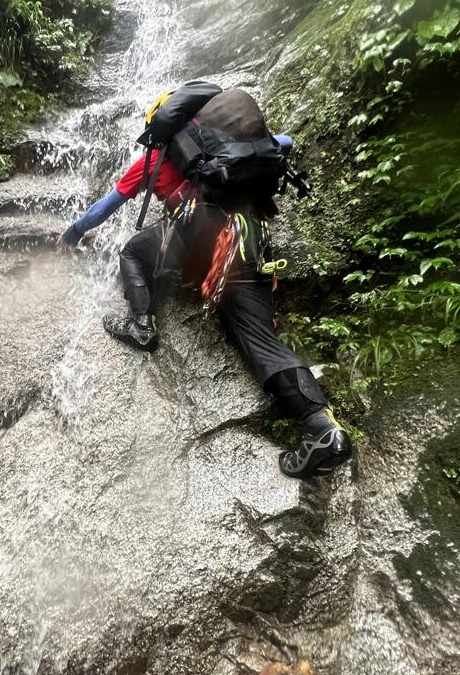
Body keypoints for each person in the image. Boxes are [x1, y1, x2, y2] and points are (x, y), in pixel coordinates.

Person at [59, 88, 353, 480]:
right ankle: (323, 430)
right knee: (261, 341)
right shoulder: (224, 151)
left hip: (199, 238)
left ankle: (142, 325)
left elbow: (105, 207)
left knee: (132, 251)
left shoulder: (157, 158)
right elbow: (285, 142)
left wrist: (72, 234)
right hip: (247, 242)